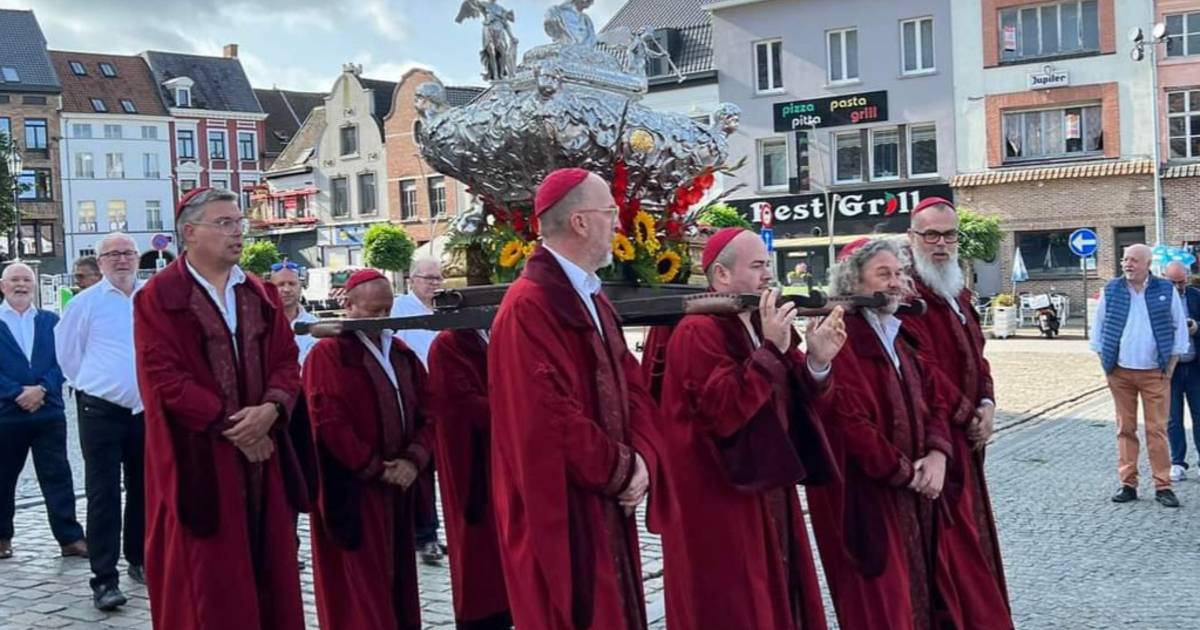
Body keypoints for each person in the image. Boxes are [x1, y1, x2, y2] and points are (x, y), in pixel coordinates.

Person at [488, 168, 661, 629]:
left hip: (605, 492)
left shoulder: (591, 296)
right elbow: (549, 417)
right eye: (610, 213)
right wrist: (621, 471)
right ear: (581, 222)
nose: (619, 224)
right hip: (570, 505)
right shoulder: (530, 305)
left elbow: (632, 382)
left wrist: (643, 458)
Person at [809, 238, 1011, 630]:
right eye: (884, 274)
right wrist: (906, 474)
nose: (898, 282)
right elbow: (848, 420)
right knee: (887, 605)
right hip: (873, 496)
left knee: (933, 596)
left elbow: (934, 397)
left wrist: (938, 455)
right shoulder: (841, 339)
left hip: (919, 493)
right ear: (854, 283)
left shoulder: (901, 335)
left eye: (900, 273)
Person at [134, 187, 308, 629]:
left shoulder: (260, 294)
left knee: (270, 570)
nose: (237, 233)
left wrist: (271, 410)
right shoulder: (158, 297)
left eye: (238, 223)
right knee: (210, 582)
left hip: (263, 452)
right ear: (190, 232)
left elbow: (287, 361)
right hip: (200, 456)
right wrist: (238, 429)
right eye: (225, 223)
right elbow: (165, 378)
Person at [654, 227, 844, 630]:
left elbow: (797, 397)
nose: (767, 276)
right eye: (757, 266)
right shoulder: (698, 330)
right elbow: (723, 410)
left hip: (767, 489)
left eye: (767, 265)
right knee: (736, 605)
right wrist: (770, 350)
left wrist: (818, 361)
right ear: (721, 275)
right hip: (720, 496)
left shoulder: (761, 323)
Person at [305, 269, 434, 630]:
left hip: (399, 487)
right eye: (373, 311)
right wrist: (378, 468)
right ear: (348, 305)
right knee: (360, 585)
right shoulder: (328, 355)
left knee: (398, 579)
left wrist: (413, 459)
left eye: (386, 311)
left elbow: (429, 411)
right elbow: (329, 422)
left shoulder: (402, 353)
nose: (381, 319)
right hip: (355, 490)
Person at [901, 197, 1011, 616]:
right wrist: (967, 414)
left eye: (949, 235)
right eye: (931, 235)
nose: (941, 244)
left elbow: (978, 355)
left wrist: (987, 402)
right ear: (913, 238)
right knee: (949, 553)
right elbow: (924, 368)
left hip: (969, 439)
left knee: (974, 545)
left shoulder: (957, 291)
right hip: (936, 438)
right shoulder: (909, 294)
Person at [55, 233, 146, 611]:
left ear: (138, 258)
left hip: (144, 409)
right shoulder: (84, 304)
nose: (121, 260)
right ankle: (104, 579)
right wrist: (96, 385)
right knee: (103, 494)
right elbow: (68, 355)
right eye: (113, 255)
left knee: (144, 487)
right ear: (101, 261)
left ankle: (139, 558)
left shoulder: (151, 298)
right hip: (100, 410)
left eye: (127, 253)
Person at [1090, 244, 1190, 508]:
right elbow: (1098, 328)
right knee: (1125, 429)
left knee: (1157, 430)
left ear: (1148, 264)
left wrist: (1170, 366)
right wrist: (1105, 361)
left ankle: (1163, 485)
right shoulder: (1112, 289)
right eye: (1125, 259)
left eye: (1134, 260)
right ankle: (1128, 483)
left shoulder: (1165, 289)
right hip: (1120, 372)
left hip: (1154, 372)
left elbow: (1179, 328)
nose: (1127, 264)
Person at [0, 263, 87, 562]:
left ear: (34, 285)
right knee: (2, 478)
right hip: (5, 414)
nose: (21, 284)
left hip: (48, 413)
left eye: (26, 279)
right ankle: (1, 538)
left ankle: (70, 539)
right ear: (3, 286)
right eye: (15, 280)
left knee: (58, 475)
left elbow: (63, 360)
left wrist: (43, 390)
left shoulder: (51, 321)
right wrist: (17, 393)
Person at [428, 322, 513, 630]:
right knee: (477, 545)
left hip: (505, 453)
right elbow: (460, 403)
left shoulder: (498, 333)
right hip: (473, 459)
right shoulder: (448, 344)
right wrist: (518, 409)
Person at [390, 255, 446, 565]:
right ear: (413, 280)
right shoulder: (400, 309)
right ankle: (426, 536)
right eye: (428, 279)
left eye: (438, 278)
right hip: (415, 398)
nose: (435, 284)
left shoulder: (447, 307)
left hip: (446, 399)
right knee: (421, 472)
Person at [269, 260, 319, 563]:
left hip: (306, 412)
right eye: (279, 285)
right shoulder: (263, 324)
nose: (285, 290)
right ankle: (285, 542)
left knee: (303, 478)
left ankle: (293, 539)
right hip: (276, 414)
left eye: (291, 284)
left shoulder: (312, 326)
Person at [1164, 261, 1200, 481]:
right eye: (1173, 282)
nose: (1178, 286)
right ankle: (1178, 462)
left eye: (1181, 281)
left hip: (1195, 366)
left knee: (1199, 415)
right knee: (1173, 418)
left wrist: (1196, 326)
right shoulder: (1160, 299)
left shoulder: (1196, 296)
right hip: (1172, 368)